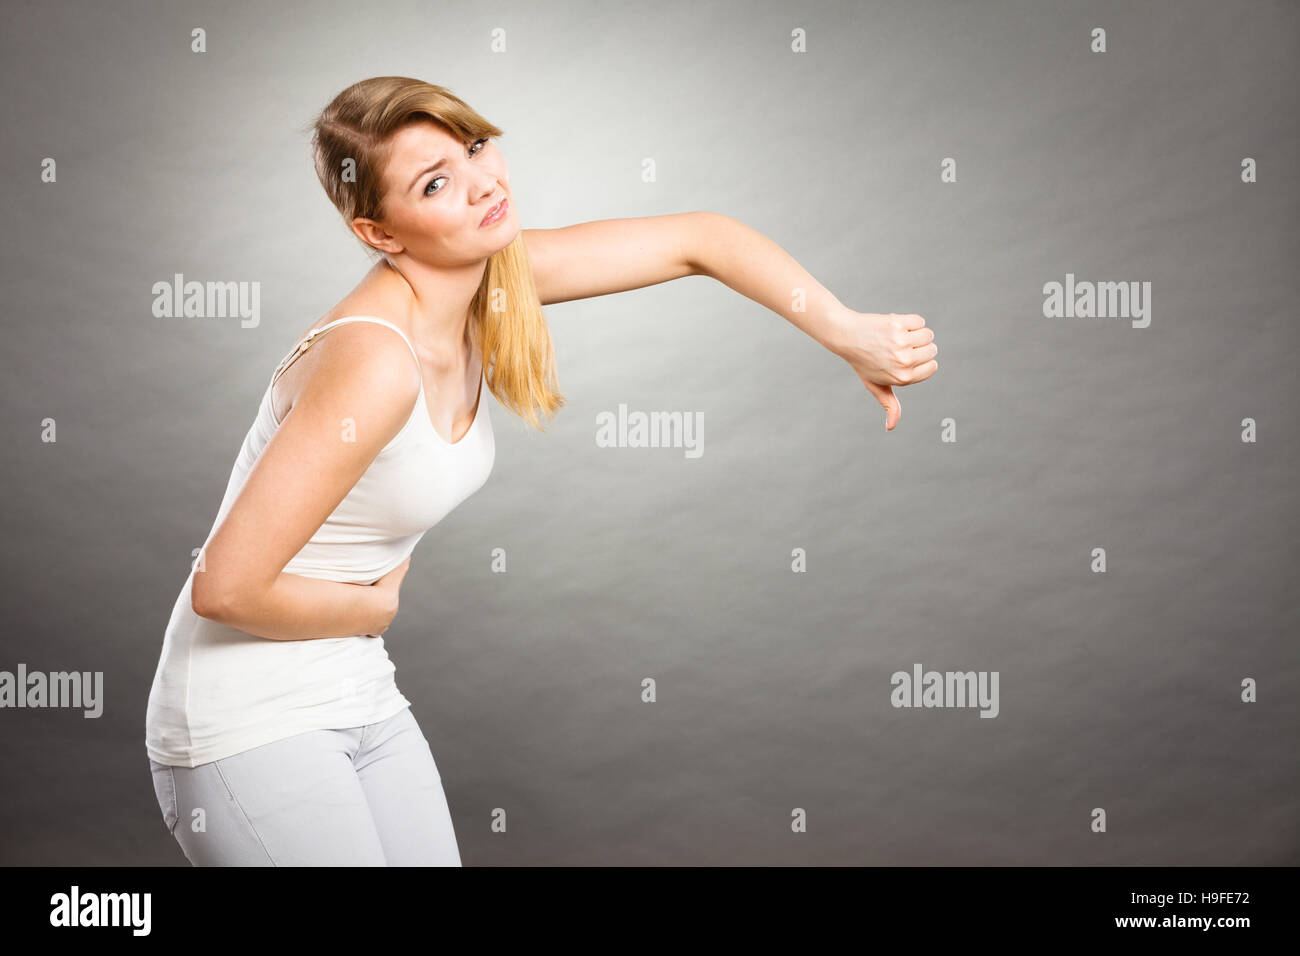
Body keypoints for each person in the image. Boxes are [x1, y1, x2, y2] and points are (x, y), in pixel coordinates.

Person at [144, 75, 939, 866]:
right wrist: (372, 611)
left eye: (475, 146)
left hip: (356, 690)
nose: (483, 183)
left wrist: (846, 331)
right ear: (380, 233)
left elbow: (699, 239)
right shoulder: (373, 360)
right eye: (435, 182)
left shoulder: (489, 285)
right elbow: (226, 589)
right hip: (242, 721)